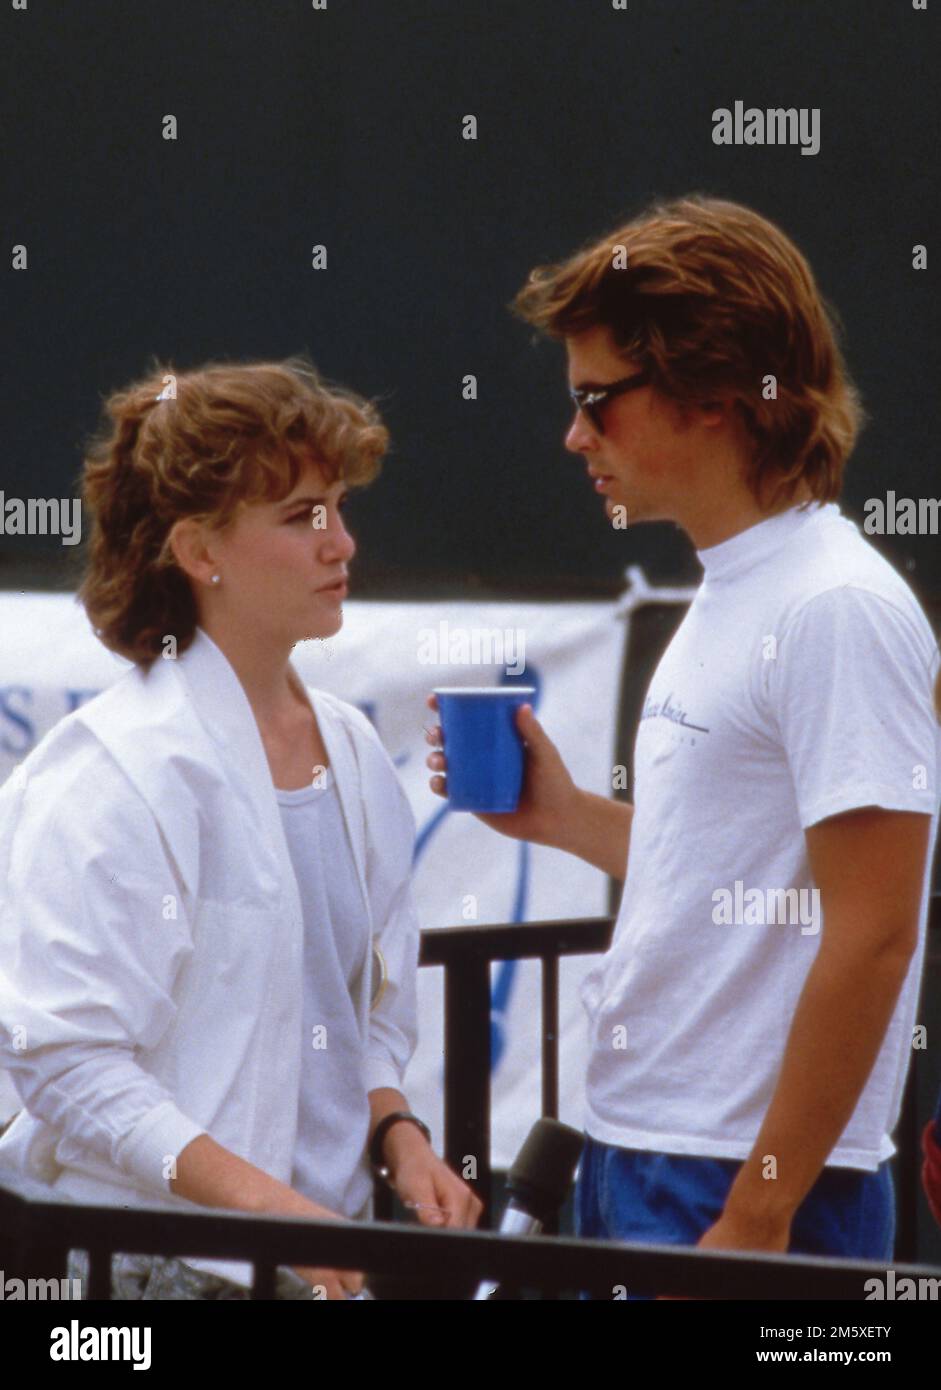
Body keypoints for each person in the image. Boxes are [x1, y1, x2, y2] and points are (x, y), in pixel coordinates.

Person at [427, 195, 941, 1297]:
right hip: (647, 1155)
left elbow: (874, 934)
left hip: (738, 1188)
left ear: (713, 392)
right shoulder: (741, 587)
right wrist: (565, 821)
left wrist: (758, 1207)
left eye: (595, 402)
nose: (573, 436)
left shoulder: (832, 606)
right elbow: (742, 876)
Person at [0, 354, 481, 1301]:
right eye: (303, 515)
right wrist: (273, 1212)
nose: (341, 542)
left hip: (311, 1270)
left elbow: (361, 1024)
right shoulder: (114, 769)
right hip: (150, 1278)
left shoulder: (347, 748)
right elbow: (65, 1060)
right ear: (198, 550)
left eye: (339, 506)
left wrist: (398, 1136)